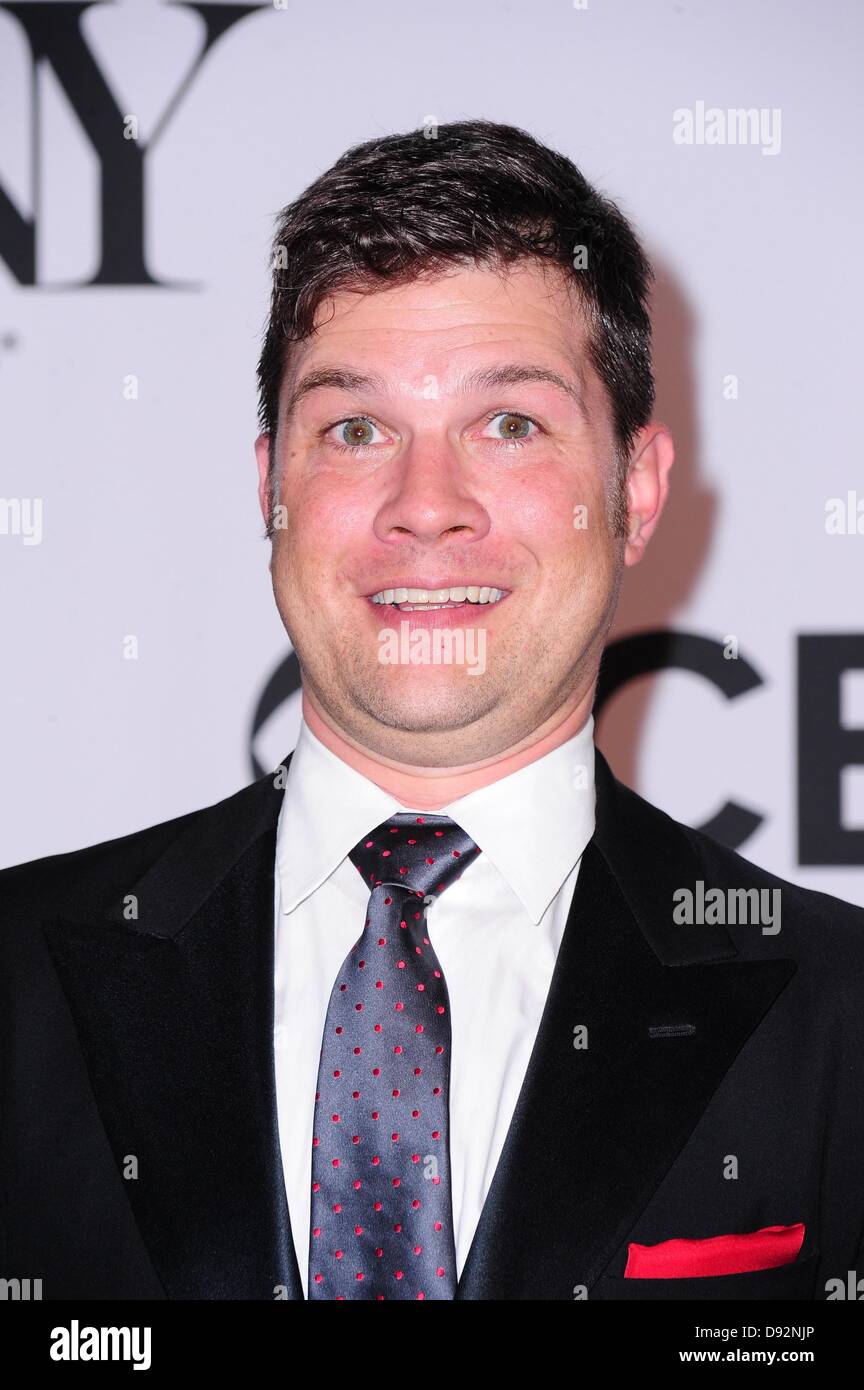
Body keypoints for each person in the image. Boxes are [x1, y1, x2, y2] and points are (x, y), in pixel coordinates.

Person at [1, 120, 862, 1302]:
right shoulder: (17, 976)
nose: (425, 504)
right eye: (355, 429)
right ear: (271, 486)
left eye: (509, 424)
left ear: (637, 491)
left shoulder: (840, 1015)